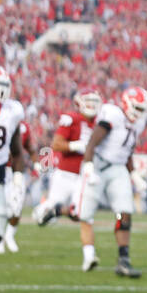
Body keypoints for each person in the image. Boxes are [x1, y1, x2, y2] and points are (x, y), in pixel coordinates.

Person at [76, 87, 147, 276]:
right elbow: (93, 141)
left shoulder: (138, 124)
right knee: (85, 213)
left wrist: (134, 174)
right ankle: (89, 255)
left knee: (124, 213)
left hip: (118, 168)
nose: (139, 113)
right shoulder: (113, 114)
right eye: (137, 108)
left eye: (142, 109)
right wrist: (89, 164)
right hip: (98, 165)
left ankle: (123, 260)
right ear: (127, 104)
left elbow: (126, 151)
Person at [34, 87, 102, 230]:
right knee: (46, 210)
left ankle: (56, 211)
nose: (92, 105)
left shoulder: (99, 123)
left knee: (80, 213)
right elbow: (56, 145)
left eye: (95, 101)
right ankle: (46, 211)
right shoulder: (72, 118)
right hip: (65, 174)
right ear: (80, 103)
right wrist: (77, 145)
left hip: (83, 175)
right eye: (89, 101)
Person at [0, 66, 28, 256]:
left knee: (4, 208)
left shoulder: (13, 112)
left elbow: (25, 149)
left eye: (4, 85)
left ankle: (4, 238)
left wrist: (18, 176)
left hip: (1, 166)